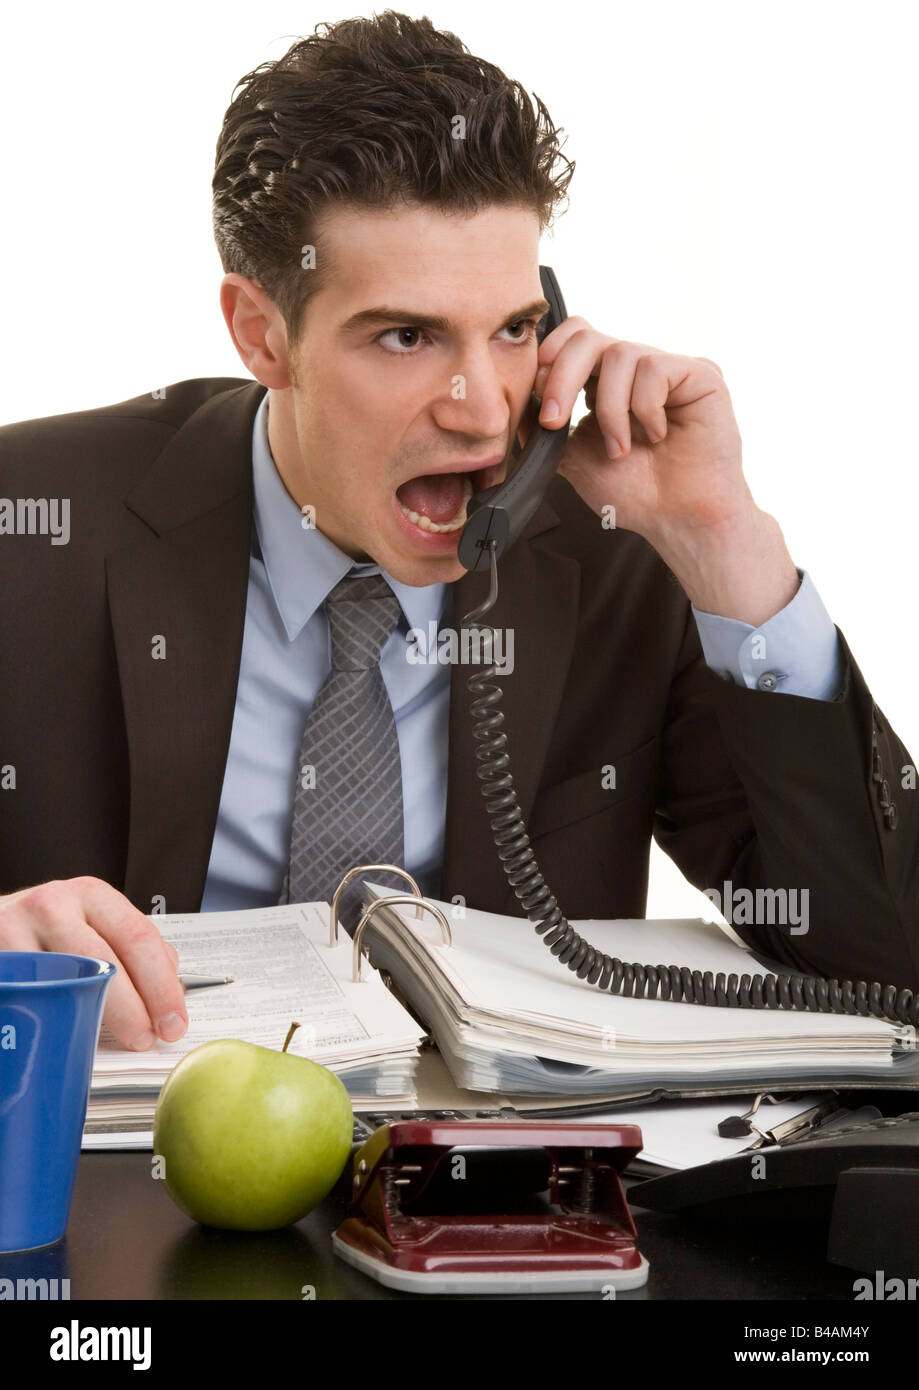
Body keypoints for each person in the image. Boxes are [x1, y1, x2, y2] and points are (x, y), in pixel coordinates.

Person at [1, 12, 917, 1052]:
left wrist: (728, 545)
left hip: (508, 1203)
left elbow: (879, 967)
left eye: (515, 330)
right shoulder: (29, 527)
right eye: (406, 335)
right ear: (263, 334)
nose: (481, 409)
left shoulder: (620, 543)